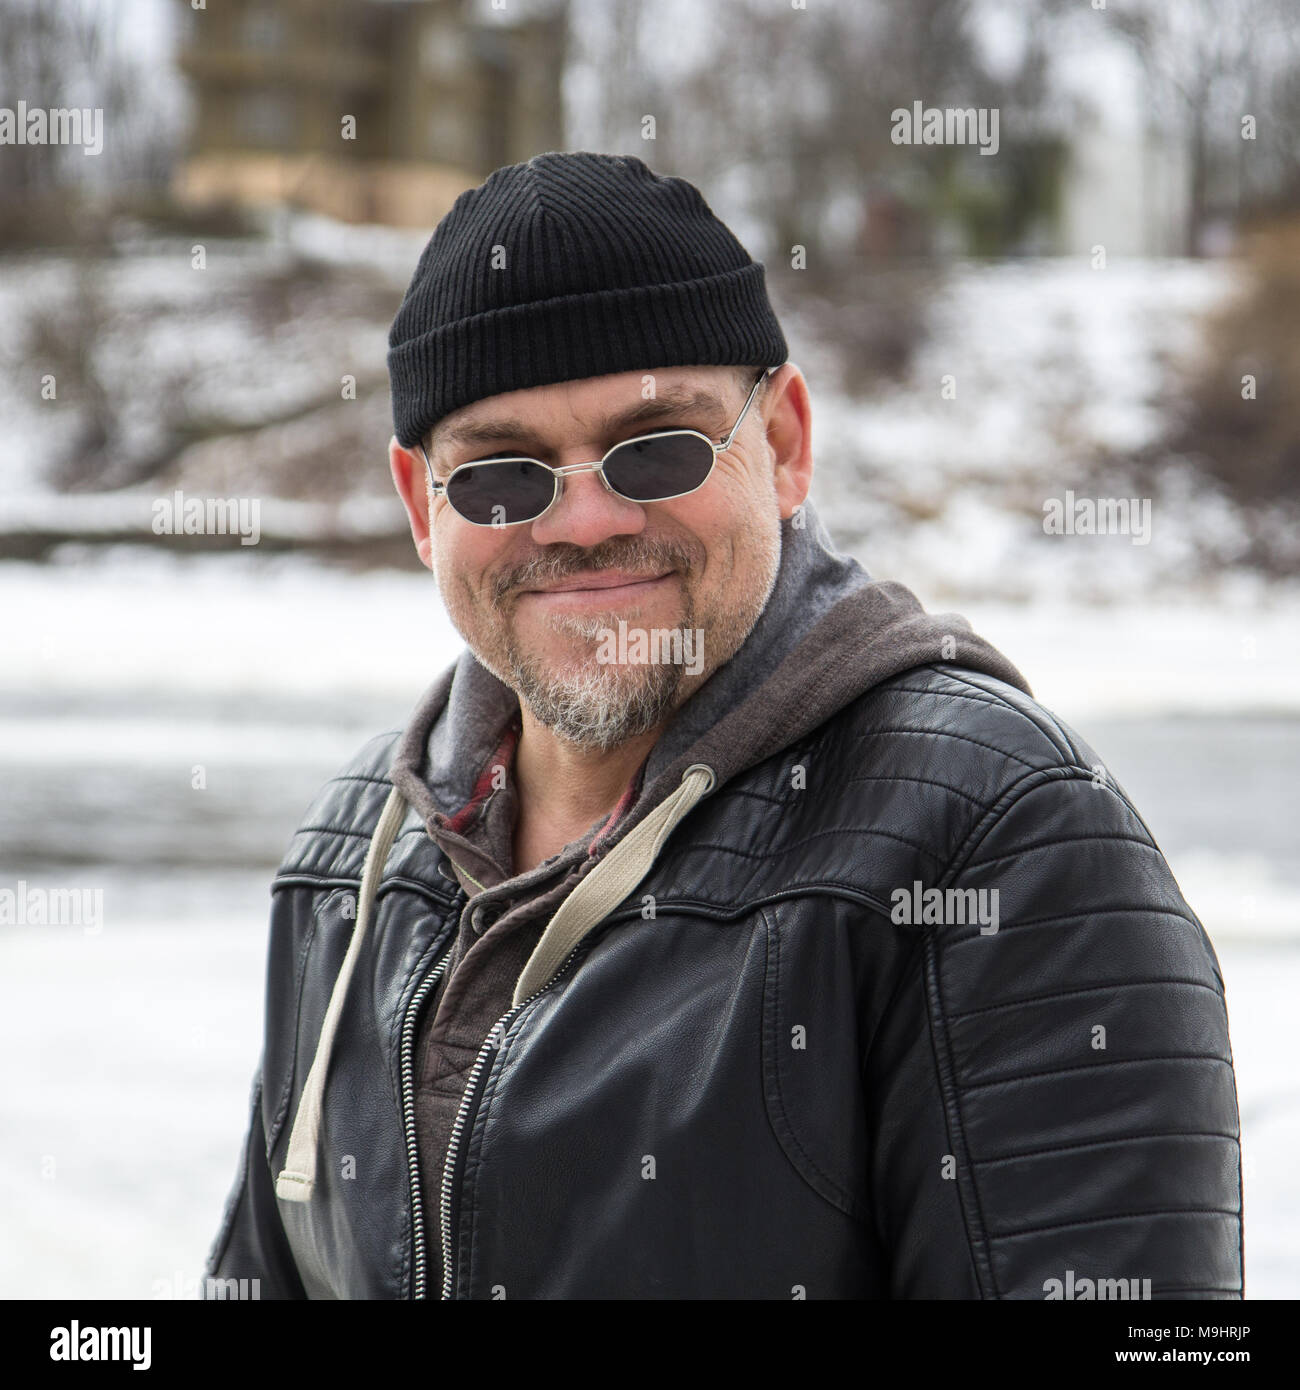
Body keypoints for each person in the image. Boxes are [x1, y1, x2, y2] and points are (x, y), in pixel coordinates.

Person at [204, 151, 1243, 1300]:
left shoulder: (1000, 842)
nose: (584, 520)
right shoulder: (355, 856)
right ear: (420, 505)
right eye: (502, 474)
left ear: (784, 444)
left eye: (656, 447)